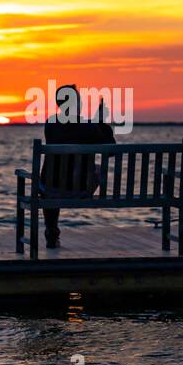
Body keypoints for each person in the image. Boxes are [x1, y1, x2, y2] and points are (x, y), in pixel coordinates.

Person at [42, 86, 115, 248]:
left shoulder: (51, 124)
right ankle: (52, 230)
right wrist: (102, 123)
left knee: (50, 185)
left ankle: (51, 230)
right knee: (95, 168)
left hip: (52, 190)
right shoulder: (89, 127)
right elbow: (110, 151)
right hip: (81, 189)